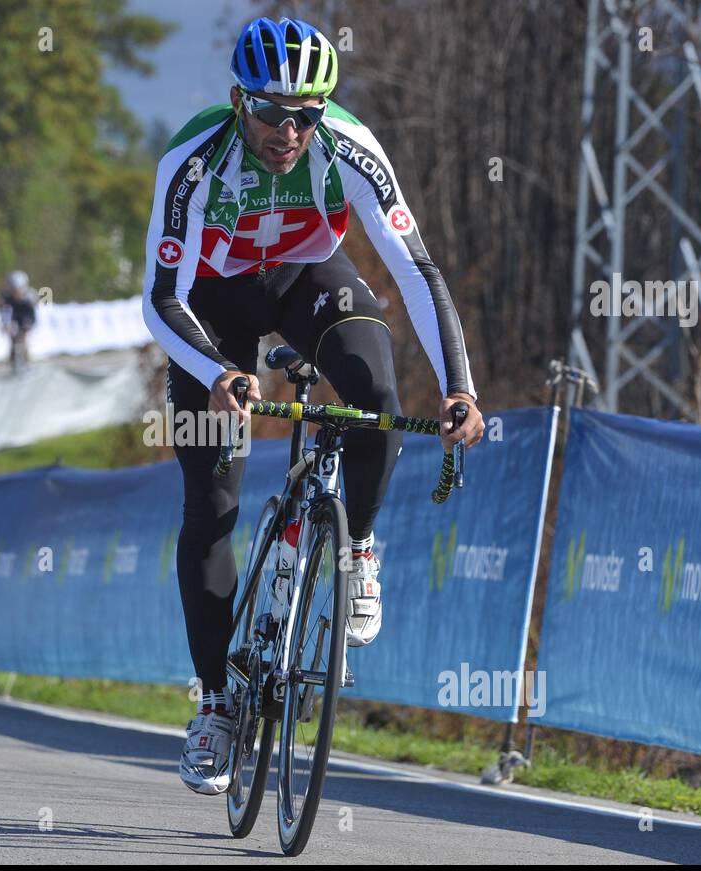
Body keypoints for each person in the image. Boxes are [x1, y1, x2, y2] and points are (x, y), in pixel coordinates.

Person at [142, 17, 485, 794]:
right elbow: (162, 296)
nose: (289, 131)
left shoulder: (349, 144)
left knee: (378, 395)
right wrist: (218, 370)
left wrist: (459, 384)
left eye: (308, 113)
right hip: (210, 308)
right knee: (212, 506)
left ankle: (357, 544)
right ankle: (219, 706)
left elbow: (416, 269)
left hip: (309, 282)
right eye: (272, 111)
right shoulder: (193, 159)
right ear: (238, 101)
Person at [0, 271, 37, 372]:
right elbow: (4, 313)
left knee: (24, 339)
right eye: (14, 289)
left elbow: (31, 314)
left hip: (26, 318)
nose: (16, 292)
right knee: (12, 340)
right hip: (13, 318)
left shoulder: (29, 296)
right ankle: (12, 363)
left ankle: (27, 362)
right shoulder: (6, 298)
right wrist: (5, 325)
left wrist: (28, 325)